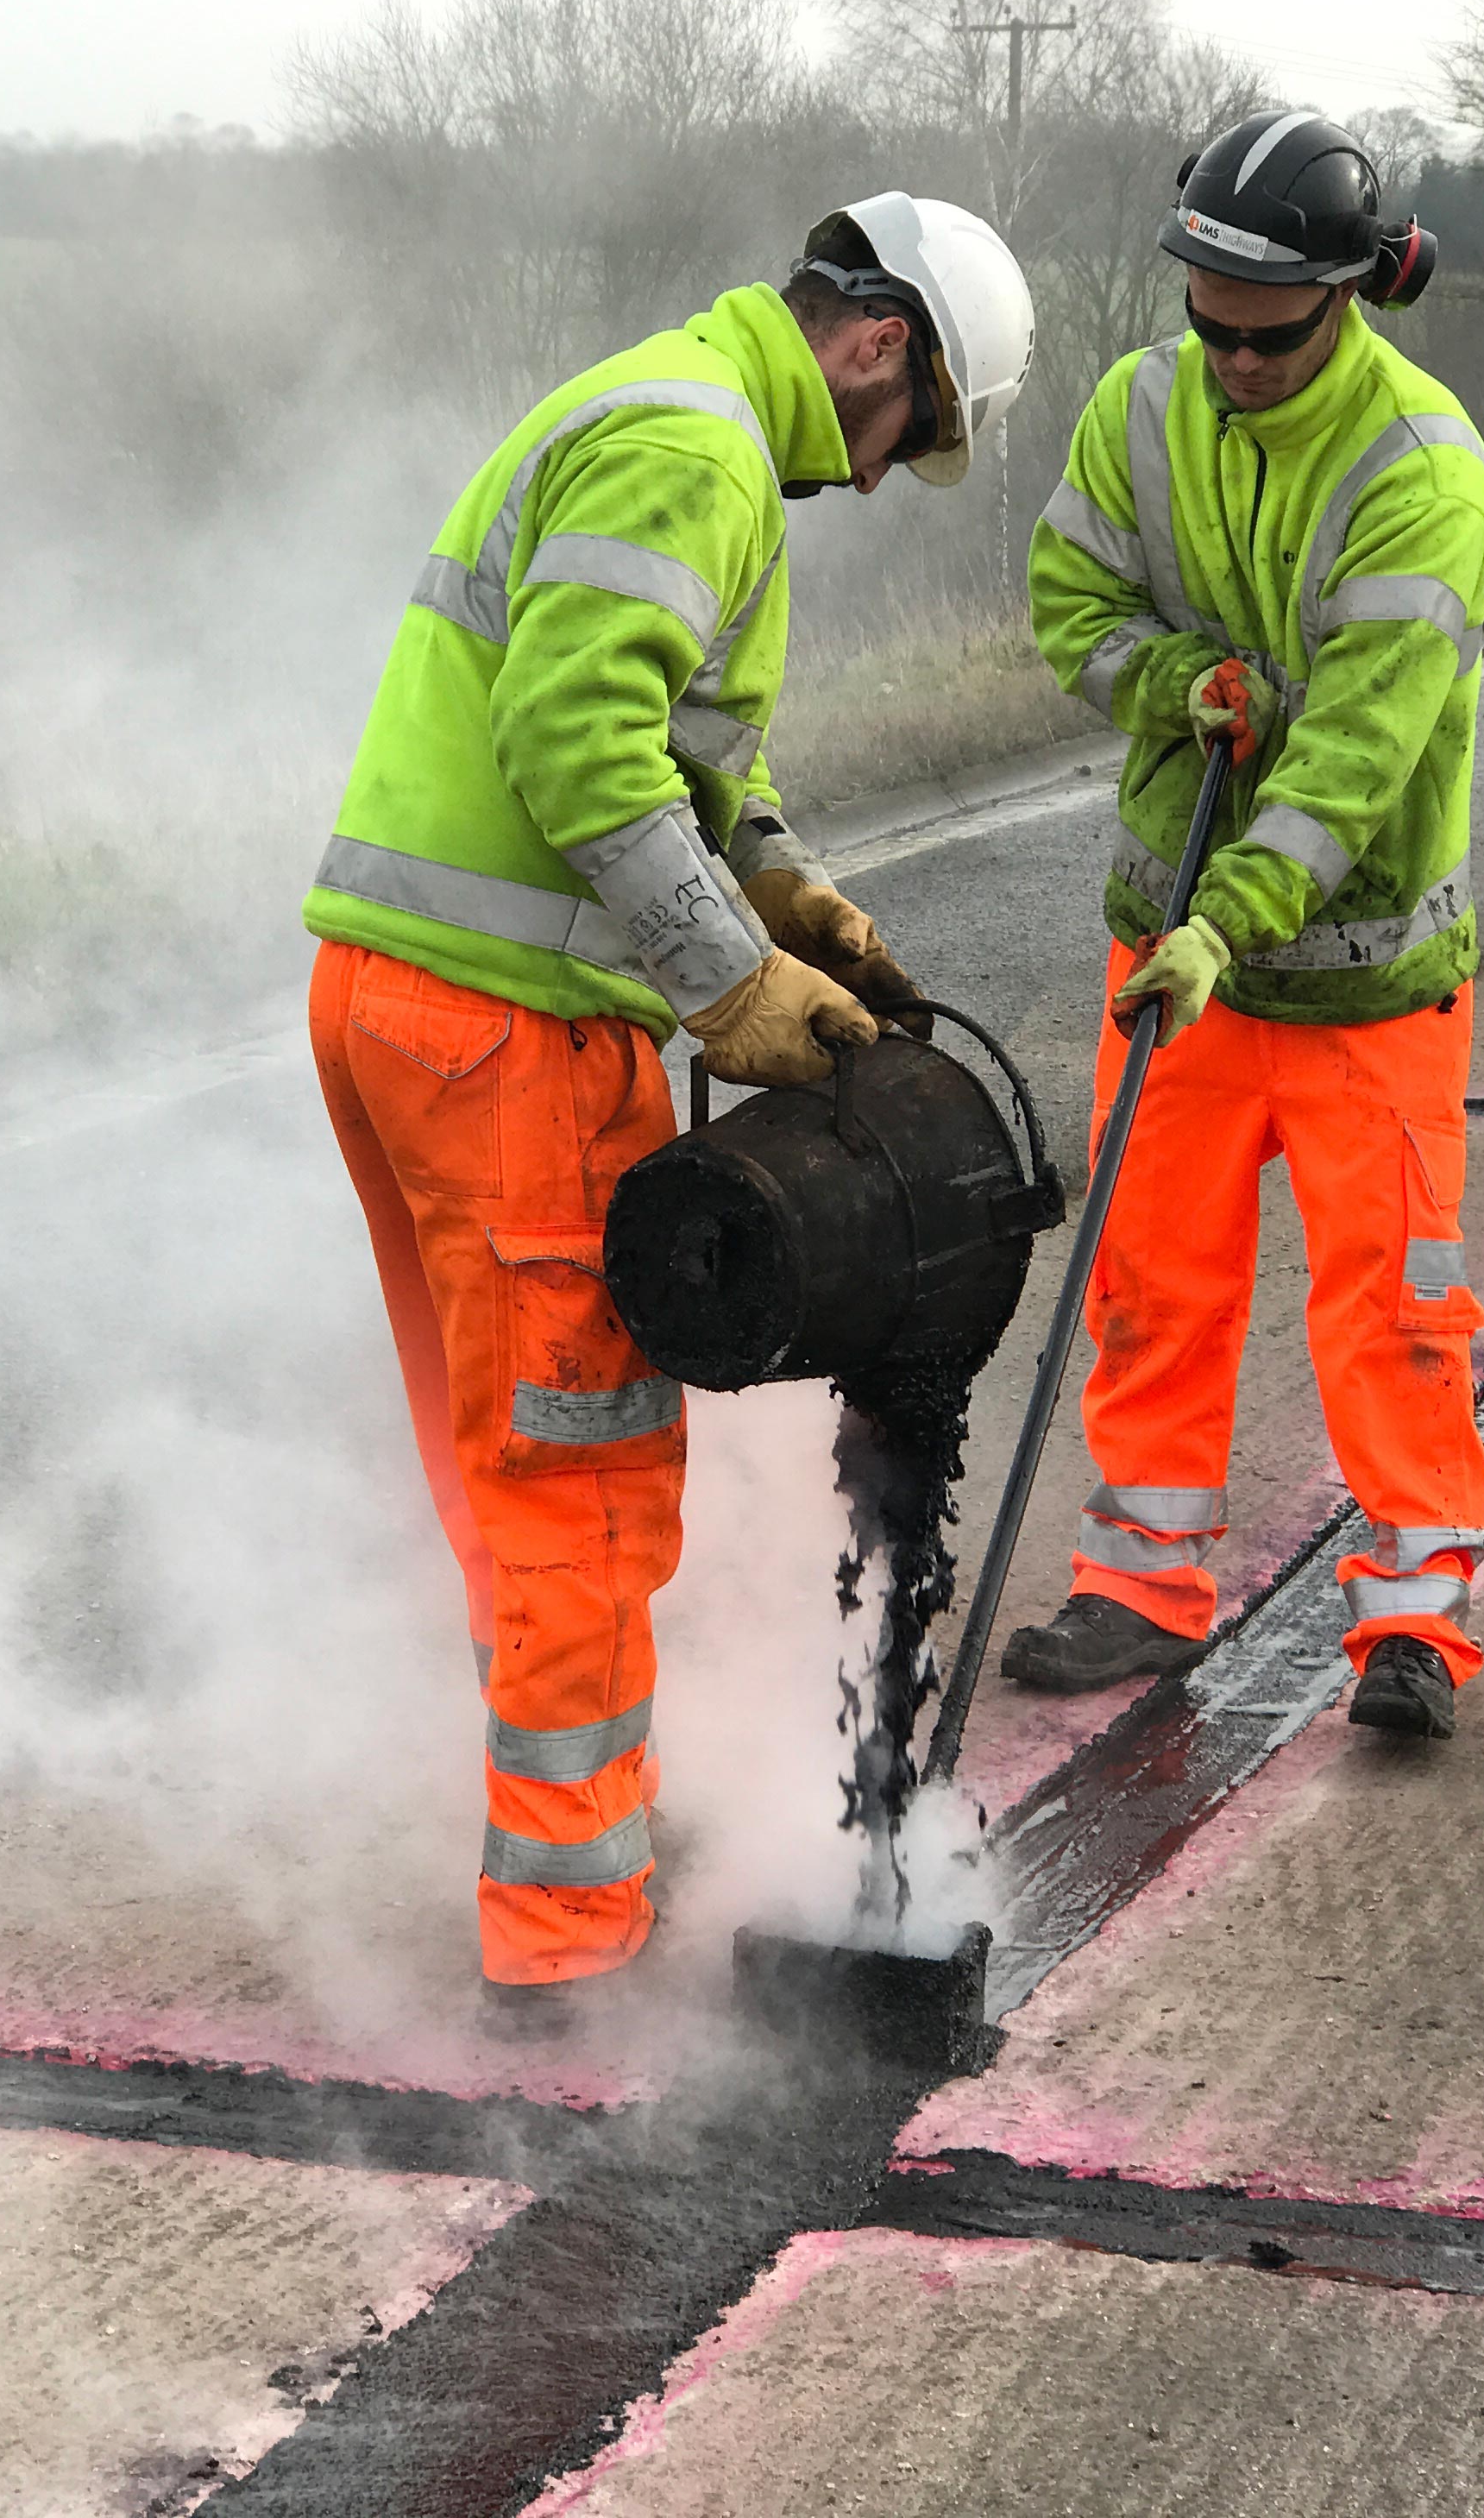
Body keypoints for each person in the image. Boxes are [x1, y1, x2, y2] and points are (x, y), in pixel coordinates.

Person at [304, 195, 1036, 2026]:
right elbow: (578, 749)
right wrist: (724, 983)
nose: (885, 479)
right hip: (509, 1043)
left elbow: (692, 752)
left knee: (509, 1461)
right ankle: (564, 1934)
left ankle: (574, 1819)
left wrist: (782, 887)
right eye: (911, 435)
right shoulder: (700, 450)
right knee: (586, 1480)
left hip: (402, 1010)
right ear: (879, 347)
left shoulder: (666, 403)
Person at [1007, 110, 1484, 1744]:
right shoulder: (1137, 411)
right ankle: (1142, 1586)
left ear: (1352, 296)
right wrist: (1171, 679)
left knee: (1392, 1317)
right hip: (1171, 964)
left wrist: (1231, 924)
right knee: (1149, 1279)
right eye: (1207, 325)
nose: (1229, 361)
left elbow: (1355, 758)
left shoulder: (1421, 472)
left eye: (1266, 338)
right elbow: (1070, 607)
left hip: (1363, 985)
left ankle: (1413, 1625)